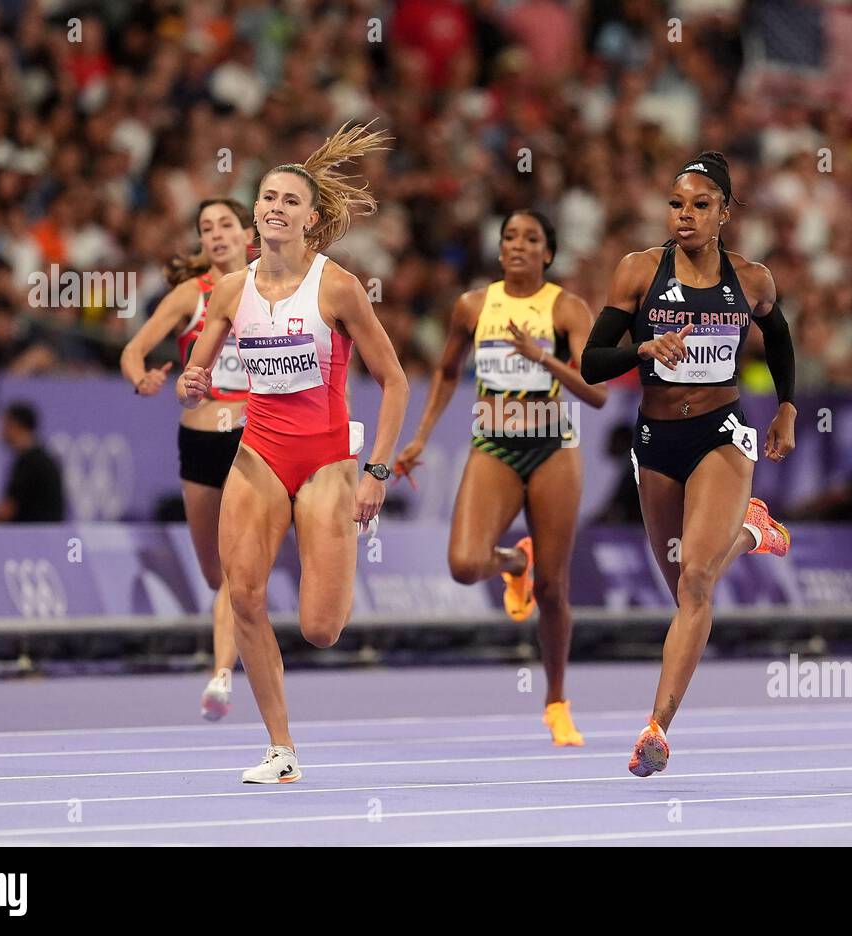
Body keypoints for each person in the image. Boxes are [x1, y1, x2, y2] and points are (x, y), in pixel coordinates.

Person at [177, 123, 408, 784]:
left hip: (330, 460)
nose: (275, 206)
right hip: (258, 453)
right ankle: (281, 750)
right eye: (267, 196)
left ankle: (344, 538)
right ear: (256, 210)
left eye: (289, 200)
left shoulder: (336, 288)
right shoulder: (230, 290)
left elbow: (394, 381)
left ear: (311, 219)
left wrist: (377, 472)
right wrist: (194, 380)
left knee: (320, 629)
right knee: (243, 594)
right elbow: (198, 370)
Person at [581, 151, 796, 777]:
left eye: (701, 205)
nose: (686, 216)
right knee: (681, 584)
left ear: (724, 212)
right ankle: (754, 529)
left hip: (722, 434)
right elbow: (592, 362)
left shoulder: (751, 280)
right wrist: (642, 346)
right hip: (656, 441)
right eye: (676, 204)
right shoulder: (637, 272)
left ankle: (657, 728)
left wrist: (785, 407)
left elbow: (777, 336)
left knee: (698, 581)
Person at [395, 210, 608, 746]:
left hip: (554, 451)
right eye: (509, 236)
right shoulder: (472, 306)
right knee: (465, 564)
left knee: (555, 590)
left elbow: (596, 390)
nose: (517, 245)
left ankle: (556, 701)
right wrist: (420, 435)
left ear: (548, 254)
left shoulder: (566, 307)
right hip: (494, 445)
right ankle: (514, 561)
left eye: (530, 239)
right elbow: (445, 370)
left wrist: (542, 358)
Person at [120, 197, 253, 721]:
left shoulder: (270, 290)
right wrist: (142, 379)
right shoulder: (189, 295)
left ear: (248, 234)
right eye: (205, 229)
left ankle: (221, 674)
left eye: (225, 225)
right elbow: (133, 350)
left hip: (252, 439)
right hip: (199, 443)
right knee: (216, 574)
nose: (216, 235)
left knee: (239, 566)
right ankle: (226, 651)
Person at [0, 402, 66, 523]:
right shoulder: (45, 459)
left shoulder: (29, 463)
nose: (0, 431)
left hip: (33, 537)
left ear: (15, 425)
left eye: (4, 424)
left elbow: (7, 510)